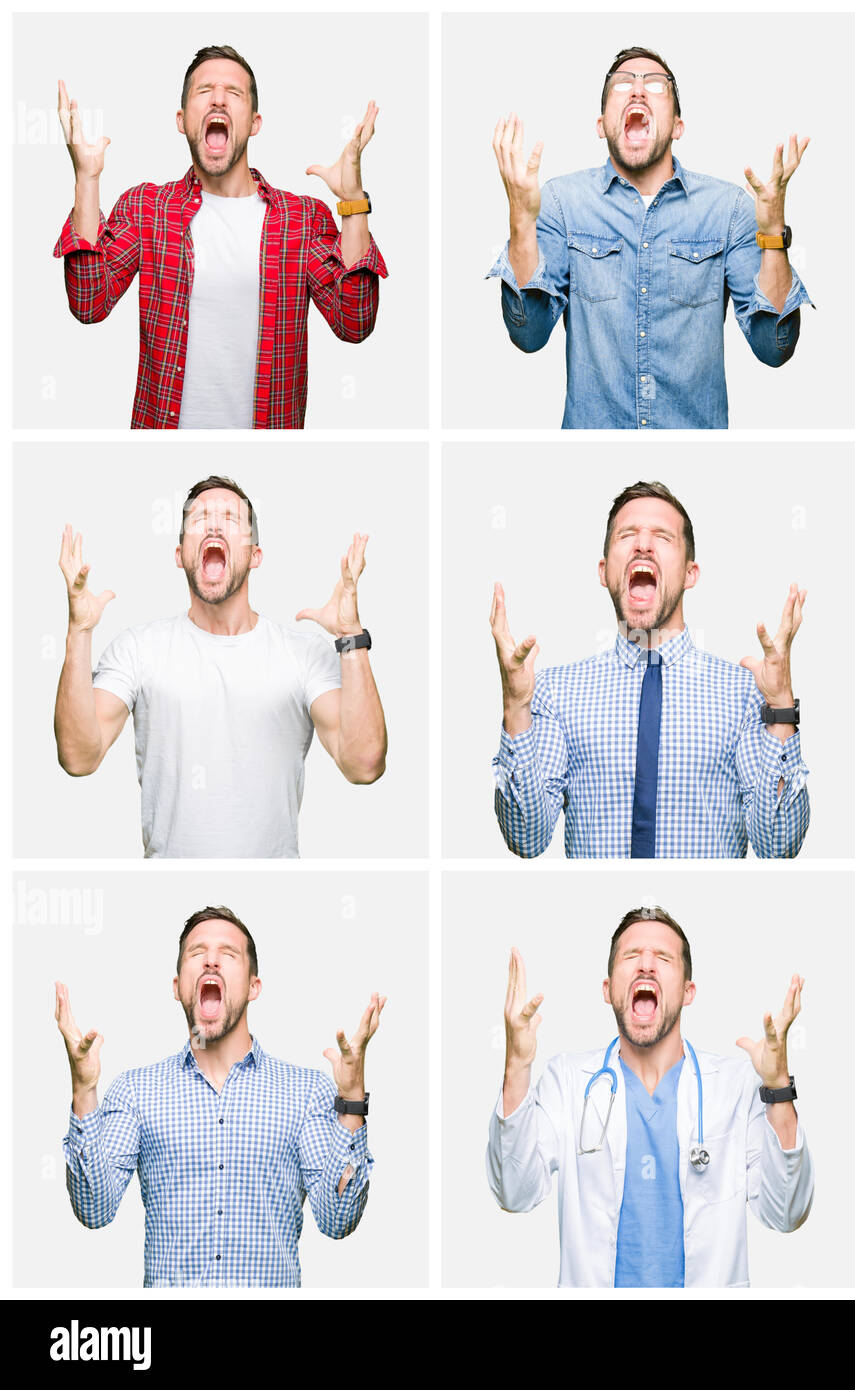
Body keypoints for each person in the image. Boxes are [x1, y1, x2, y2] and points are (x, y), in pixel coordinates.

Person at [54, 45, 386, 428]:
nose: (218, 99)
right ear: (181, 120)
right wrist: (86, 179)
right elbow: (88, 303)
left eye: (234, 93)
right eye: (204, 91)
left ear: (254, 122)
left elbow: (354, 322)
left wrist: (352, 202)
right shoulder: (146, 207)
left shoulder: (303, 218)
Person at [54, 474, 387, 857]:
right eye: (198, 519)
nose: (213, 524)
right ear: (179, 555)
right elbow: (78, 758)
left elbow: (364, 765)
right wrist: (78, 631)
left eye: (230, 518)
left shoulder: (303, 654)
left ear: (255, 555)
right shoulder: (138, 649)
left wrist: (351, 636)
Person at [56, 905, 386, 1288]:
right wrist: (83, 1089)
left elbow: (338, 1220)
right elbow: (94, 1210)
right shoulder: (136, 1091)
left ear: (253, 986)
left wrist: (350, 1103)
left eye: (228, 954)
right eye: (197, 953)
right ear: (178, 986)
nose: (211, 960)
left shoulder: (305, 1092)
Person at [488, 46, 812, 428]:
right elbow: (528, 334)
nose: (638, 91)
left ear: (677, 125)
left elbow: (774, 348)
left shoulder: (728, 209)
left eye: (657, 86)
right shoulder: (561, 203)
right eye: (622, 84)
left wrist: (773, 230)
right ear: (600, 123)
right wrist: (521, 223)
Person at [486, 907, 812, 1287]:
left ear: (688, 991)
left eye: (663, 958)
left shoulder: (735, 1085)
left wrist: (777, 1088)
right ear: (608, 989)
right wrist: (517, 1064)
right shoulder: (570, 1080)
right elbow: (514, 1191)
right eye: (630, 956)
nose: (645, 965)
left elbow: (786, 1212)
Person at [490, 480, 809, 857]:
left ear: (691, 573)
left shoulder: (743, 692)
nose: (643, 545)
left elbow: (779, 846)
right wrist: (515, 706)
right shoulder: (556, 690)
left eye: (662, 536)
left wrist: (781, 707)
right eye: (627, 535)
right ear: (604, 571)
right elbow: (525, 839)